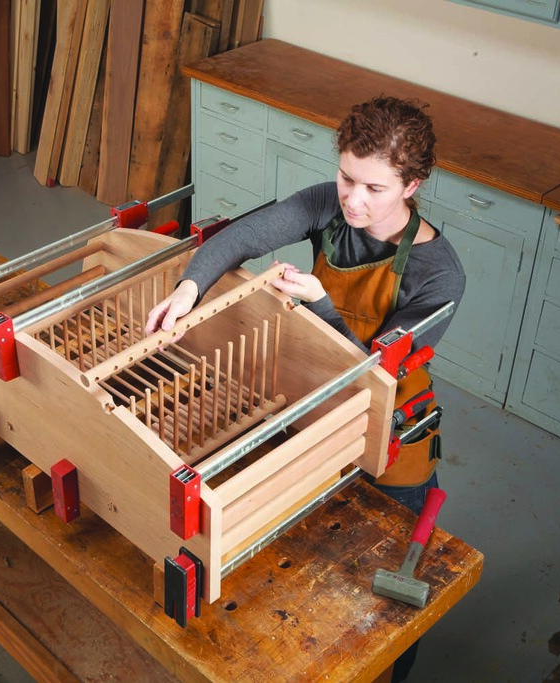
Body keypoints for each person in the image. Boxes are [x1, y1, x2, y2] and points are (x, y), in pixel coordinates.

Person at [146, 95, 465, 681]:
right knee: (318, 572)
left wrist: (320, 306)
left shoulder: (439, 274)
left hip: (391, 430)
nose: (352, 199)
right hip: (317, 405)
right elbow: (243, 237)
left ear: (412, 185)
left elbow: (372, 370)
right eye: (346, 177)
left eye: (374, 188)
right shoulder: (327, 205)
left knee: (388, 598)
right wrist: (189, 289)